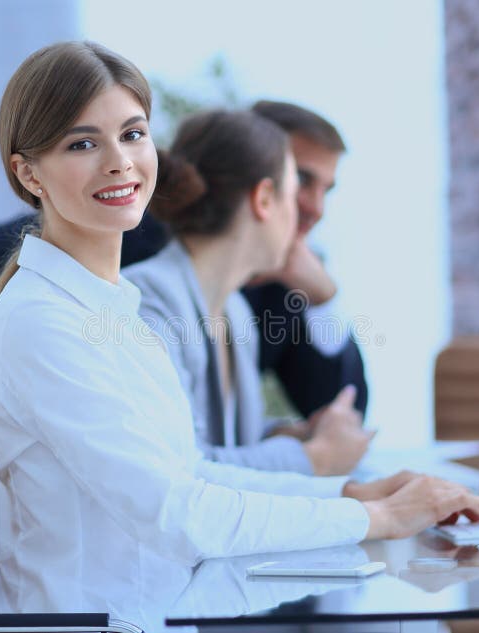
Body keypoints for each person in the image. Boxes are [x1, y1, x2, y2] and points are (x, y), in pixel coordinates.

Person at [0, 40, 479, 613]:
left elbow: (192, 474)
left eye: (132, 133)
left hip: (163, 606)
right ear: (29, 173)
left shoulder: (111, 307)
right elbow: (175, 515)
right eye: (83, 143)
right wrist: (374, 516)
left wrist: (350, 492)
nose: (119, 161)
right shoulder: (44, 325)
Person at [0, 104, 367, 510]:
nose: (313, 208)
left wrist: (325, 301)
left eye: (327, 189)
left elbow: (339, 410)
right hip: (3, 492)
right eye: (301, 181)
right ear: (259, 188)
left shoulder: (263, 292)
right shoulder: (118, 232)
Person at [125, 109, 370, 476]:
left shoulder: (235, 311)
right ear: (265, 198)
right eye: (297, 186)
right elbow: (176, 472)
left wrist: (284, 437)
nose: (314, 211)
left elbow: (215, 439)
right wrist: (313, 459)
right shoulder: (146, 302)